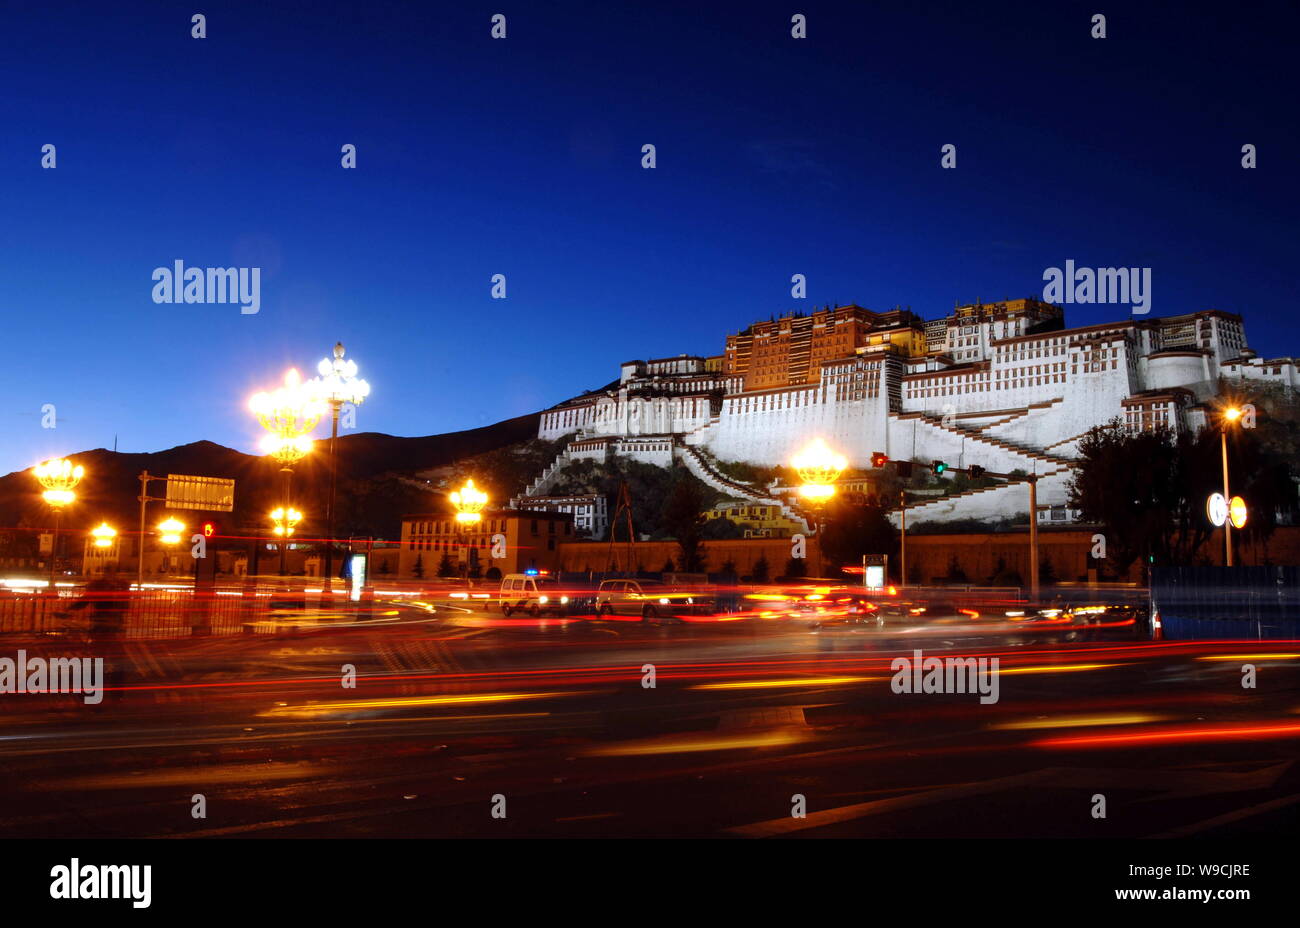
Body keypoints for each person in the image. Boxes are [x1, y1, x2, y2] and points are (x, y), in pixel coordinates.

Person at [70, 566, 131, 642]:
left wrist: (71, 608)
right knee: (110, 642)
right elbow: (125, 605)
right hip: (113, 620)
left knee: (99, 641)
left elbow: (85, 599)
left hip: (102, 620)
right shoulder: (120, 586)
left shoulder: (99, 585)